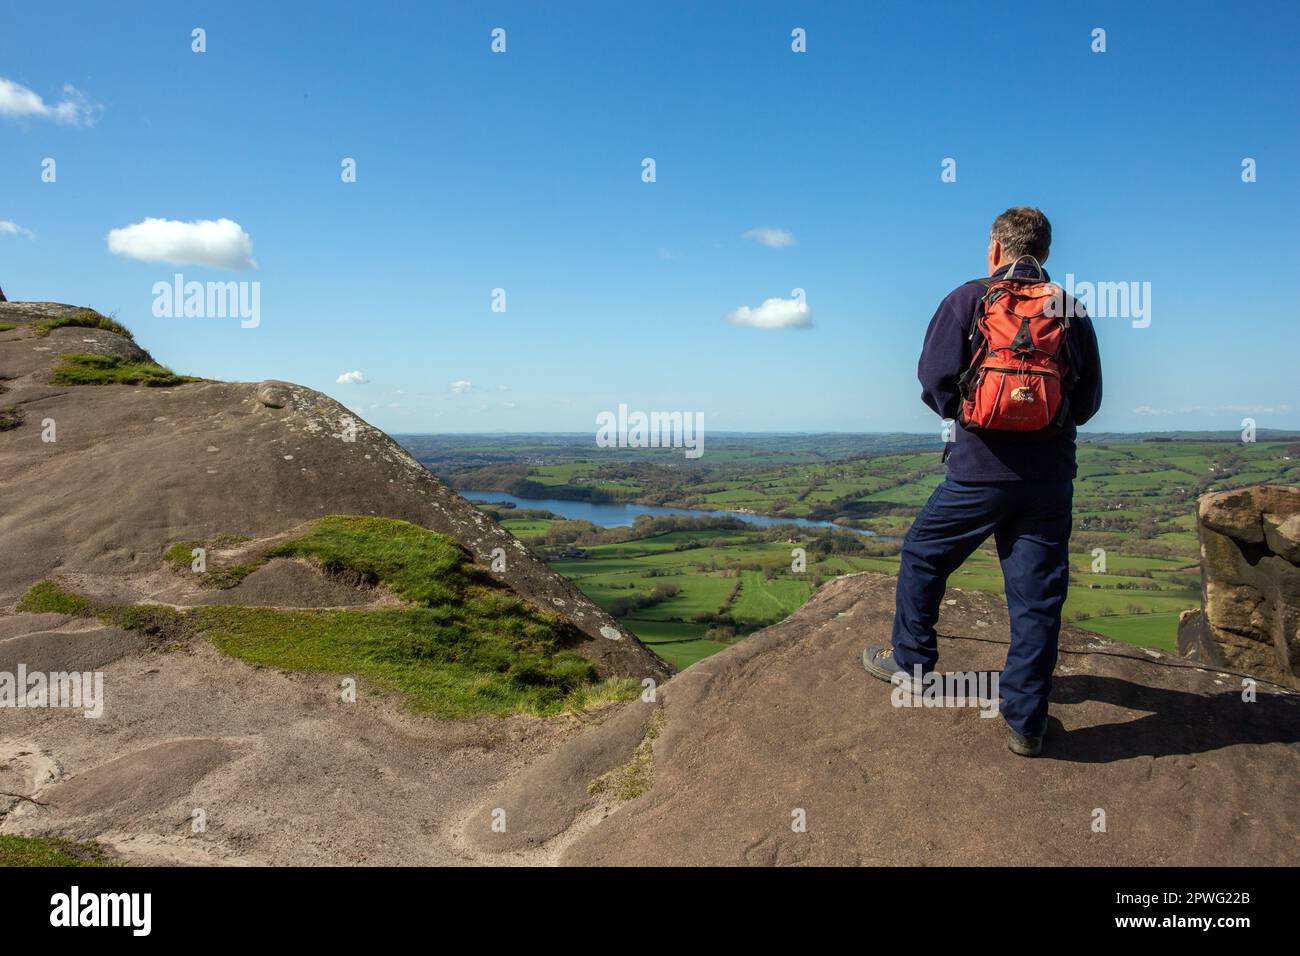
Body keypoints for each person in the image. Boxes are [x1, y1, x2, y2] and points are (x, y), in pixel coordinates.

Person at [863, 207, 1103, 757]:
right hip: (1047, 478)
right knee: (1037, 599)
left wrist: (974, 418)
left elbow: (933, 379)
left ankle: (914, 664)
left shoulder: (966, 299)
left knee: (924, 555)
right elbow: (1087, 400)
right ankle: (1026, 723)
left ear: (995, 248)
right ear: (1043, 253)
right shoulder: (1068, 307)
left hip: (976, 473)